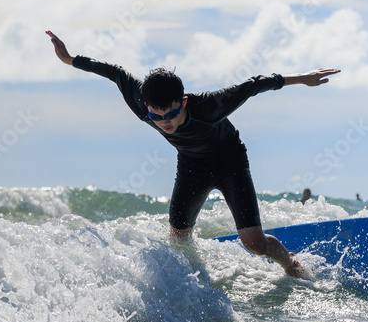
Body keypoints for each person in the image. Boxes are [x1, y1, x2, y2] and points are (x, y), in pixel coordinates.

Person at [46, 30, 340, 277]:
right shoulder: (141, 103)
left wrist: (303, 78)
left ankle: (290, 263)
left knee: (253, 243)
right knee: (178, 237)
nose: (165, 123)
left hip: (230, 163)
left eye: (171, 115)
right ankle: (192, 286)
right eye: (157, 117)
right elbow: (115, 73)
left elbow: (252, 86)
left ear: (183, 102)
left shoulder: (209, 107)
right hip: (191, 167)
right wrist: (70, 59)